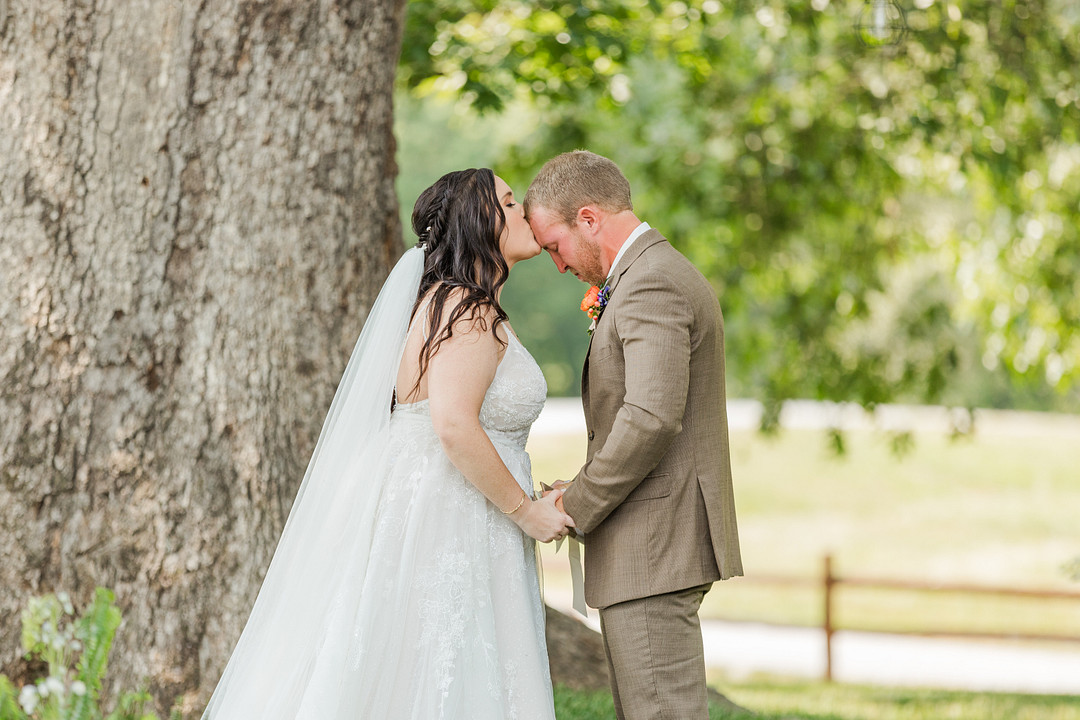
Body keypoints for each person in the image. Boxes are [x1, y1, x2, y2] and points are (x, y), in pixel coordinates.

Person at [201, 168, 573, 719]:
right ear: (480, 220)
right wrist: (527, 512)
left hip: (444, 505)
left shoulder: (453, 304)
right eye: (511, 202)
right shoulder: (468, 310)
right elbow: (454, 425)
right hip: (453, 515)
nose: (525, 213)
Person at [525, 150, 744, 720]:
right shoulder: (643, 276)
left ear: (589, 218)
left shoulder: (650, 283)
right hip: (648, 546)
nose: (558, 265)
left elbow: (650, 416)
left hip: (654, 548)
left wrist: (575, 503)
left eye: (555, 246)